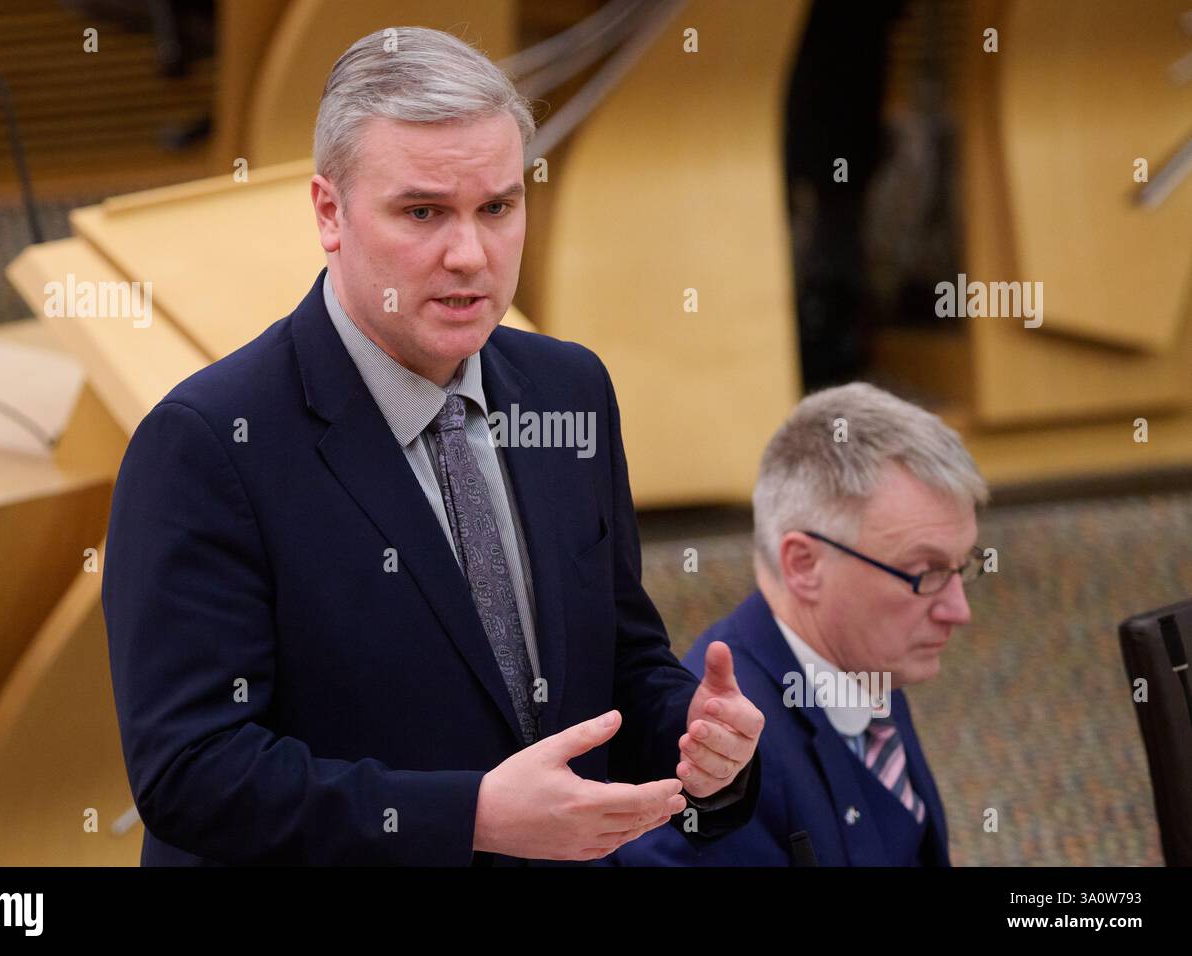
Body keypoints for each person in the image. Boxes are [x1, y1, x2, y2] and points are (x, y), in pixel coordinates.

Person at [102, 26, 763, 866]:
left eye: (498, 208)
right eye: (423, 212)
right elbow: (190, 773)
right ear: (329, 214)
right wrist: (470, 817)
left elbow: (620, 662)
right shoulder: (205, 444)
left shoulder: (570, 391)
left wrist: (699, 749)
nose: (469, 254)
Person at [615, 382, 989, 865]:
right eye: (926, 574)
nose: (959, 610)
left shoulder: (867, 658)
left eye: (962, 567)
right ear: (804, 565)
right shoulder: (718, 760)